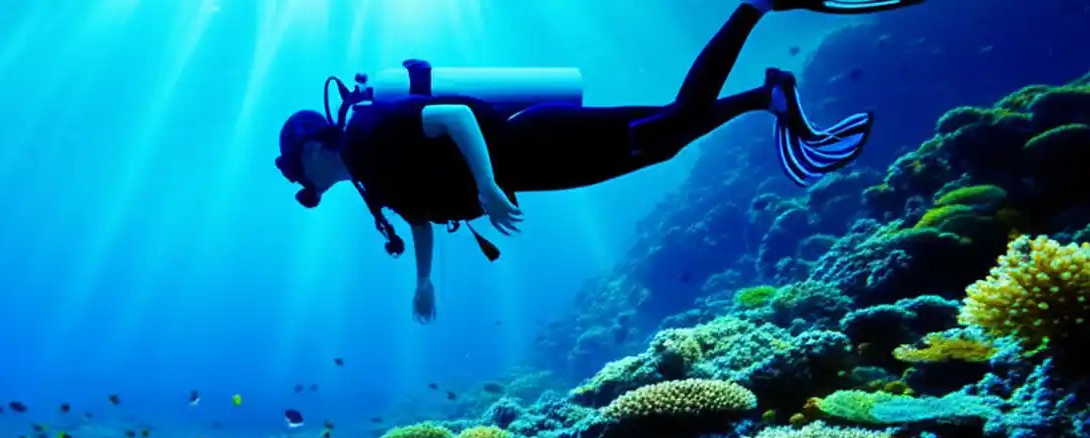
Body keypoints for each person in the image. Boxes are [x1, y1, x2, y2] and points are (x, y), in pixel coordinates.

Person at [275, 0, 926, 323]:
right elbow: (419, 216)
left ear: (309, 149)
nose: (300, 183)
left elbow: (454, 117)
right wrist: (424, 282)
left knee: (671, 124)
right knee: (666, 137)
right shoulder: (368, 176)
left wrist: (488, 187)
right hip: (535, 165)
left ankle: (753, 10)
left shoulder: (368, 132)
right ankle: (765, 97)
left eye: (294, 169)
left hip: (532, 142)